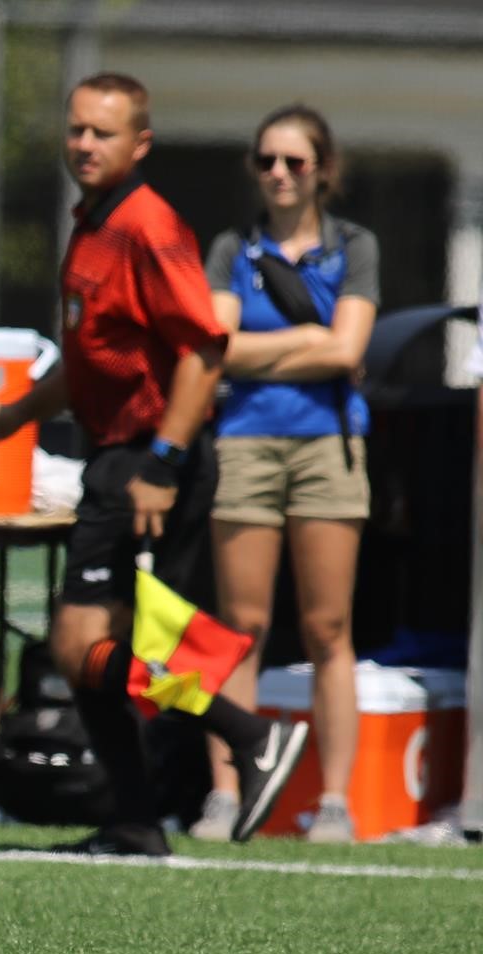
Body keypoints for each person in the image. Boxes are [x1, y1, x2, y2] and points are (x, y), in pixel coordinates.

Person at [0, 72, 309, 856]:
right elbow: (96, 355)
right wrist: (18, 414)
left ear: (140, 143)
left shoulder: (148, 225)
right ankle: (134, 820)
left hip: (145, 462)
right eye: (77, 129)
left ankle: (246, 735)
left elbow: (203, 348)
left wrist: (162, 460)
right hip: (115, 455)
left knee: (80, 646)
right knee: (103, 653)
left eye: (104, 133)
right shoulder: (95, 221)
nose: (85, 144)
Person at [189, 106, 378, 845]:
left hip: (328, 444)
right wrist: (307, 337)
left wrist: (270, 346)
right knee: (240, 627)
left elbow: (350, 352)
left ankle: (334, 800)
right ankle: (225, 791)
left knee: (329, 627)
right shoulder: (234, 248)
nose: (279, 173)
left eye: (295, 162)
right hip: (243, 442)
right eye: (267, 160)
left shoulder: (354, 246)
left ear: (323, 170)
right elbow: (215, 347)